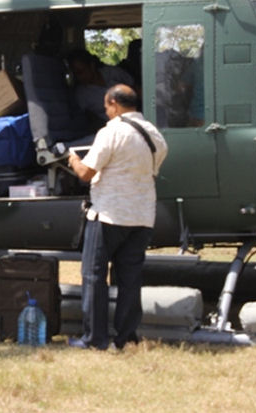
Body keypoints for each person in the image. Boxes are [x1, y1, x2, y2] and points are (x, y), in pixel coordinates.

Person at [66, 84, 168, 350]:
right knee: (129, 279)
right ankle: (126, 338)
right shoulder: (155, 135)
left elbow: (86, 173)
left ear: (114, 103)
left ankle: (94, 339)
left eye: (106, 107)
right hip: (142, 215)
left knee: (93, 276)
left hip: (109, 214)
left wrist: (73, 159)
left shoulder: (111, 132)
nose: (105, 112)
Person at [67, 49, 135, 130]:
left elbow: (136, 90)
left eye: (81, 72)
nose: (79, 77)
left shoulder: (113, 73)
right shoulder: (81, 94)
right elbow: (89, 119)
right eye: (75, 74)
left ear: (91, 66)